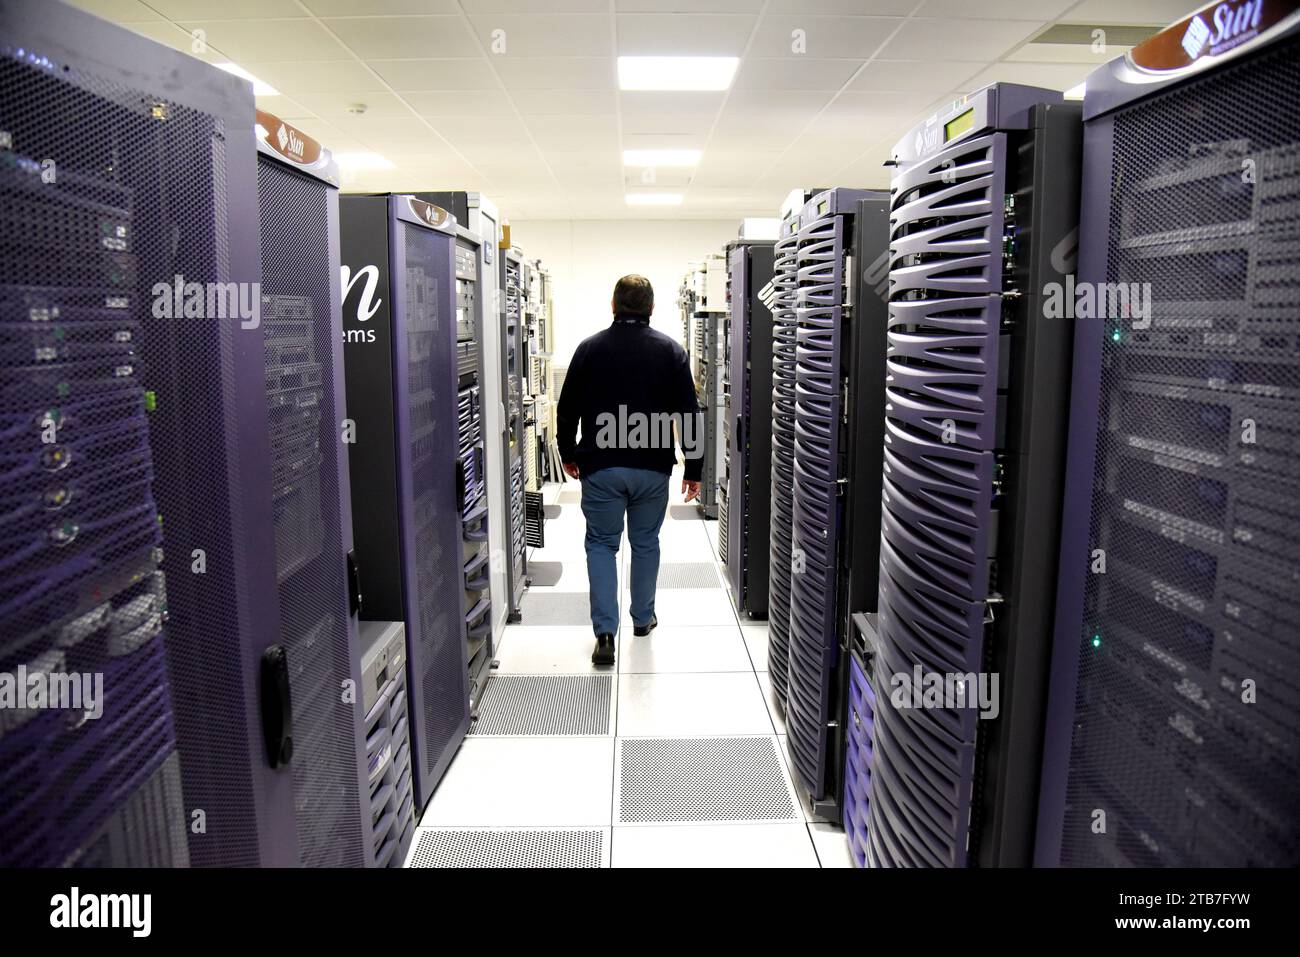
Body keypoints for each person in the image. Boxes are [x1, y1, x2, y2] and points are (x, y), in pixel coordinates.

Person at [556, 274, 704, 666]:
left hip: (601, 466)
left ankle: (605, 633)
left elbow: (567, 407)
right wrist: (696, 467)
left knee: (602, 545)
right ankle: (642, 620)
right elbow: (689, 413)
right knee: (646, 542)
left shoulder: (589, 349)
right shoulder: (671, 351)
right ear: (651, 308)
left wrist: (567, 451)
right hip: (652, 468)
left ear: (613, 305)